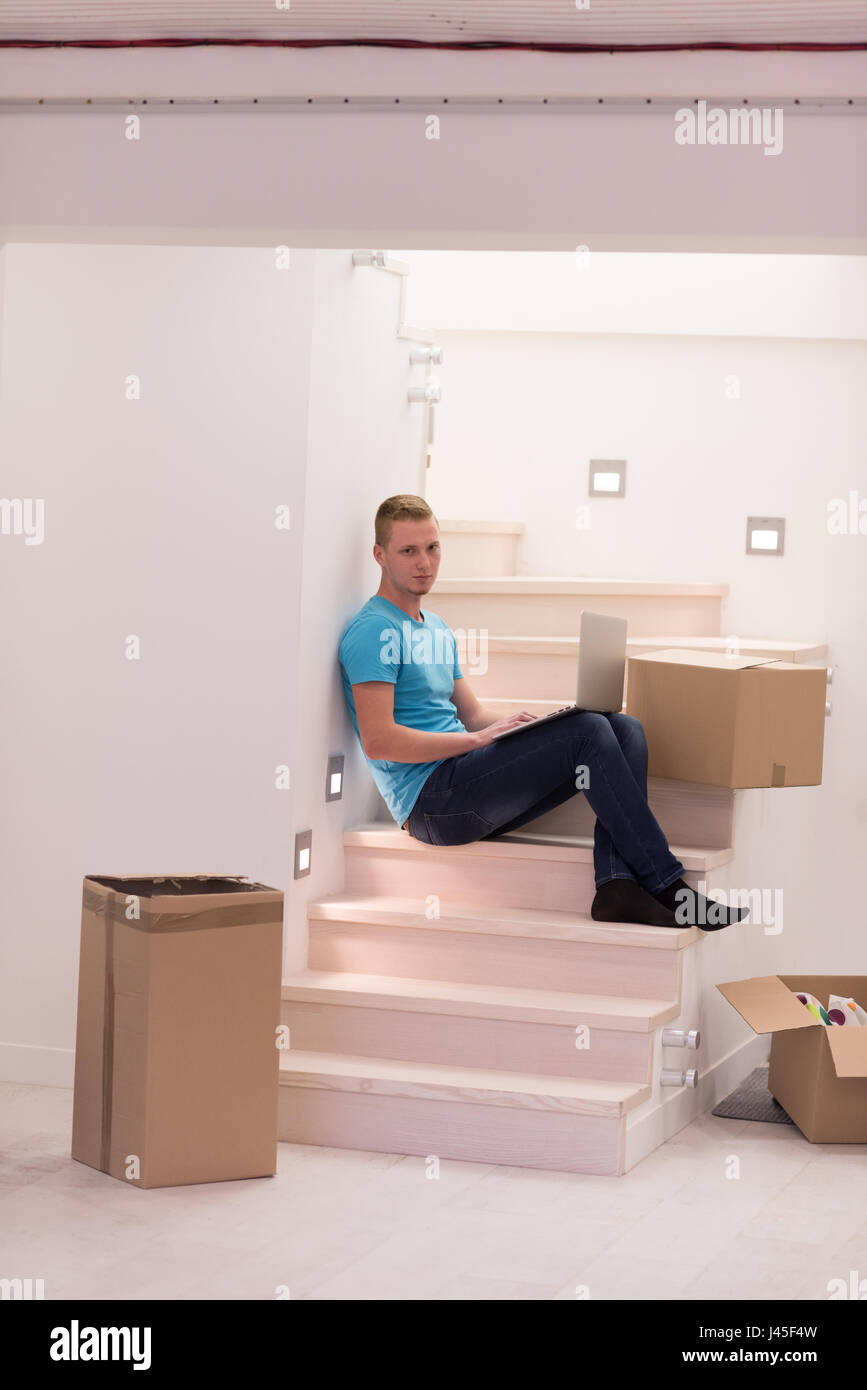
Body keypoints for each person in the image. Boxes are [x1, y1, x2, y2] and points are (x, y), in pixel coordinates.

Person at [338, 494, 747, 930]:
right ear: (380, 555)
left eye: (432, 547)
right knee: (590, 732)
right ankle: (666, 883)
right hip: (433, 805)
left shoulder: (434, 627)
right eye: (408, 551)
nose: (425, 562)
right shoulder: (373, 631)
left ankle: (616, 887)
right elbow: (380, 739)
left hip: (467, 777)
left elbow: (473, 714)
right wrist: (475, 742)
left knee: (622, 728)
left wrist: (545, 725)